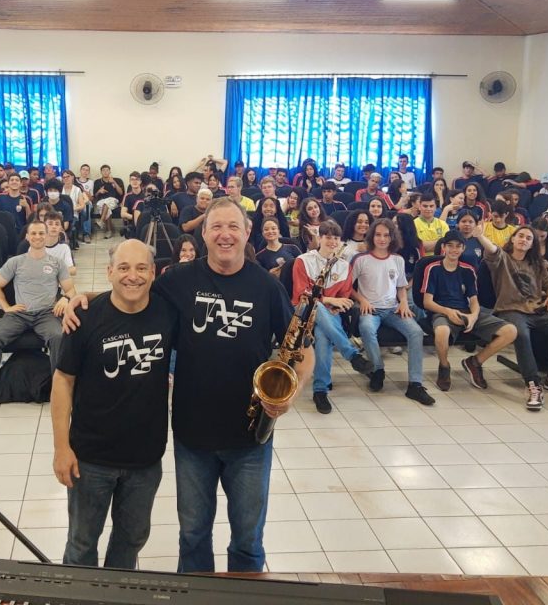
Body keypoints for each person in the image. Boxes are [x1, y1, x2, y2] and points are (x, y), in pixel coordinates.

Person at [65, 198, 303, 573]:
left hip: (252, 439)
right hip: (192, 439)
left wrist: (289, 397)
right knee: (192, 535)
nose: (225, 234)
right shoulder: (179, 279)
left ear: (246, 233)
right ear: (203, 233)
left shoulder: (265, 286)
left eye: (233, 227)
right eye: (216, 227)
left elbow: (301, 348)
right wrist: (84, 299)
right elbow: (131, 291)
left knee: (247, 539)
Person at [52, 239, 175, 569]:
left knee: (132, 538)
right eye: (123, 268)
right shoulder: (85, 318)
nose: (131, 276)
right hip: (90, 458)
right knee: (81, 543)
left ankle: (115, 592)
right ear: (109, 272)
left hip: (145, 459)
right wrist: (61, 448)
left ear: (153, 273)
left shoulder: (167, 312)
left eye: (140, 268)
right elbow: (63, 382)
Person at [476, 222, 548, 410]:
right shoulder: (502, 259)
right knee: (521, 334)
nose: (524, 240)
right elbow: (492, 249)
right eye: (521, 236)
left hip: (536, 310)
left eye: (529, 238)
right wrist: (480, 236)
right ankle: (532, 384)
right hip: (510, 309)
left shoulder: (537, 263)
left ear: (533, 244)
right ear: (513, 239)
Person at [0, 220, 76, 407]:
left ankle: (57, 387)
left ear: (47, 236)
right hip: (19, 313)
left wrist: (65, 299)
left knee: (58, 337)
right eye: (34, 233)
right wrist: (5, 307)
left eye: (41, 233)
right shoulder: (15, 262)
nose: (37, 237)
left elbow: (70, 290)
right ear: (27, 237)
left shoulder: (57, 263)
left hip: (46, 313)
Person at [292, 220, 374, 413]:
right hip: (302, 310)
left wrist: (336, 304)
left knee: (322, 336)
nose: (332, 241)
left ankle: (320, 390)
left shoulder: (344, 266)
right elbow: (302, 293)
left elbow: (344, 298)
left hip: (328, 314)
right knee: (316, 305)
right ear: (319, 238)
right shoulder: (303, 260)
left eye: (336, 237)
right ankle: (351, 354)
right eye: (328, 237)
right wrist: (329, 300)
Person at [350, 219, 434, 405]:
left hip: (392, 309)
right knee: (367, 328)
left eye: (386, 235)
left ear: (392, 238)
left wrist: (403, 303)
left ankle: (415, 384)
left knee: (416, 332)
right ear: (372, 236)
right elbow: (348, 287)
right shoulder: (361, 260)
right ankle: (377, 370)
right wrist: (362, 300)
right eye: (378, 234)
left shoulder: (397, 260)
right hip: (370, 309)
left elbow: (401, 287)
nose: (382, 239)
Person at [422, 230, 517, 392]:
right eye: (450, 246)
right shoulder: (432, 268)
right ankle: (444, 367)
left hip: (466, 311)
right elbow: (427, 302)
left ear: (463, 248)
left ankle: (475, 362)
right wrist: (448, 312)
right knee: (442, 331)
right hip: (442, 312)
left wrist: (473, 316)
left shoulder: (468, 269)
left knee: (510, 331)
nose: (454, 250)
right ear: (443, 247)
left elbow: (474, 300)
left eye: (458, 246)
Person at [93, 165, 125, 239]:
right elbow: (95, 196)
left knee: (107, 203)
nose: (105, 172)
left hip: (113, 200)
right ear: (101, 172)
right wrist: (99, 191)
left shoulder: (116, 180)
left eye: (107, 170)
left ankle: (103, 223)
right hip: (101, 202)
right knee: (107, 207)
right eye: (103, 170)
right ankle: (109, 229)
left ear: (110, 171)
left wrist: (114, 182)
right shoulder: (97, 182)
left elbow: (121, 193)